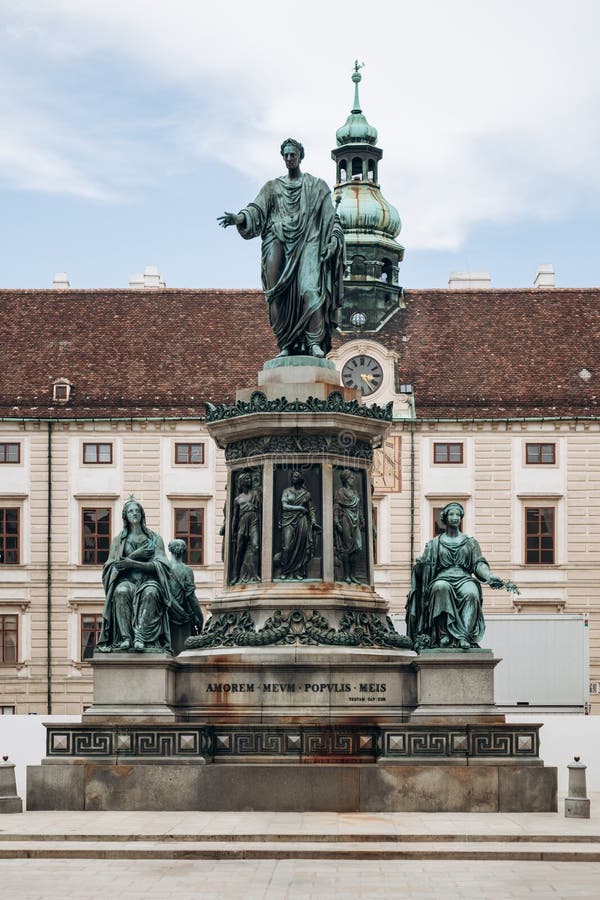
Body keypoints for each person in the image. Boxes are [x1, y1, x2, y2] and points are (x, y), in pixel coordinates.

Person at [218, 138, 344, 358]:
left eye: (292, 154)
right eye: (285, 155)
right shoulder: (272, 187)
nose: (289, 158)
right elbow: (256, 210)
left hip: (309, 242)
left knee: (310, 290)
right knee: (276, 295)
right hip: (276, 240)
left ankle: (314, 341)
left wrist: (333, 240)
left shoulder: (317, 186)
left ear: (300, 156)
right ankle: (285, 343)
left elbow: (331, 218)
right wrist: (239, 218)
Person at [406, 502, 518, 650]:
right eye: (451, 514)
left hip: (464, 578)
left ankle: (464, 636)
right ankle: (443, 634)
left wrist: (489, 576)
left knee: (471, 593)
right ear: (445, 518)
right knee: (440, 587)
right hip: (442, 578)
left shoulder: (470, 543)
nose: (455, 517)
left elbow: (478, 564)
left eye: (458, 514)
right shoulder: (434, 544)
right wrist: (420, 566)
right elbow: (423, 572)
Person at [97, 499, 188, 653]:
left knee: (151, 593)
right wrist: (136, 555)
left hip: (149, 580)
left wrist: (132, 563)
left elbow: (161, 565)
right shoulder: (118, 540)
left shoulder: (155, 538)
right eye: (131, 511)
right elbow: (113, 566)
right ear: (125, 516)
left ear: (142, 514)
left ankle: (141, 637)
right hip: (127, 580)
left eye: (137, 511)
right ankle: (126, 638)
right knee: (121, 591)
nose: (134, 513)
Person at [273, 471, 320, 579]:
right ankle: (285, 570)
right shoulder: (286, 491)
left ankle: (298, 571)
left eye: (296, 476)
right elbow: (284, 506)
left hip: (301, 520)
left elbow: (311, 509)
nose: (294, 478)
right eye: (293, 476)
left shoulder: (306, 494)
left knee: (301, 547)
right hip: (288, 520)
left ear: (300, 479)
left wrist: (313, 521)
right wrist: (300, 508)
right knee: (287, 547)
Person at [230, 470, 261, 584]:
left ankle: (256, 574)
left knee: (255, 546)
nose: (250, 480)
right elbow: (235, 516)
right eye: (247, 478)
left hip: (253, 521)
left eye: (250, 478)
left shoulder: (255, 494)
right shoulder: (237, 499)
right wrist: (233, 531)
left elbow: (260, 509)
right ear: (242, 481)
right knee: (239, 550)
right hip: (242, 523)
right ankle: (235, 576)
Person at [333, 469, 365, 584]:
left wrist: (362, 519)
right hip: (345, 519)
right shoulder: (340, 492)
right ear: (346, 479)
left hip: (355, 521)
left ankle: (352, 574)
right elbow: (336, 507)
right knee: (346, 548)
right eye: (351, 477)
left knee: (358, 547)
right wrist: (336, 522)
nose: (353, 479)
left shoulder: (355, 492)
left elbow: (358, 508)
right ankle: (346, 575)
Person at [168, 539, 204, 634]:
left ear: (170, 550)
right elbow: (191, 598)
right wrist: (200, 617)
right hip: (183, 614)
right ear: (184, 551)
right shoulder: (187, 570)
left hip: (166, 613)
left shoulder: (163, 567)